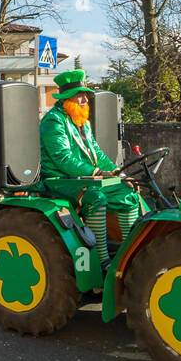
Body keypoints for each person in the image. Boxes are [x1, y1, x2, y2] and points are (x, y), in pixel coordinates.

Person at [39, 69, 143, 268]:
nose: (85, 99)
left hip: (85, 178)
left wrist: (119, 174)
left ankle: (126, 257)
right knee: (96, 197)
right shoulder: (53, 121)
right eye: (80, 95)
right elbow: (63, 159)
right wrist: (95, 172)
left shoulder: (82, 122)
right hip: (60, 180)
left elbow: (97, 154)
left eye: (85, 95)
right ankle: (101, 260)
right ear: (68, 97)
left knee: (127, 193)